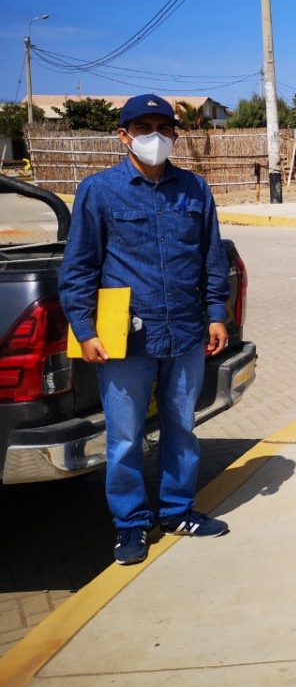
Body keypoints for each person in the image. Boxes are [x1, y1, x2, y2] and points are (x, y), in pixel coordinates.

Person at [59, 94, 231, 566]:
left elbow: (211, 260)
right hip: (125, 337)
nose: (154, 135)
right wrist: (84, 328)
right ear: (124, 135)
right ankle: (130, 525)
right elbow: (78, 269)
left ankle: (177, 510)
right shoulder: (99, 190)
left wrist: (217, 314)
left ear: (175, 134)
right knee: (125, 437)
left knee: (182, 426)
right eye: (143, 127)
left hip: (186, 333)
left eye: (163, 126)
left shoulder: (196, 190)